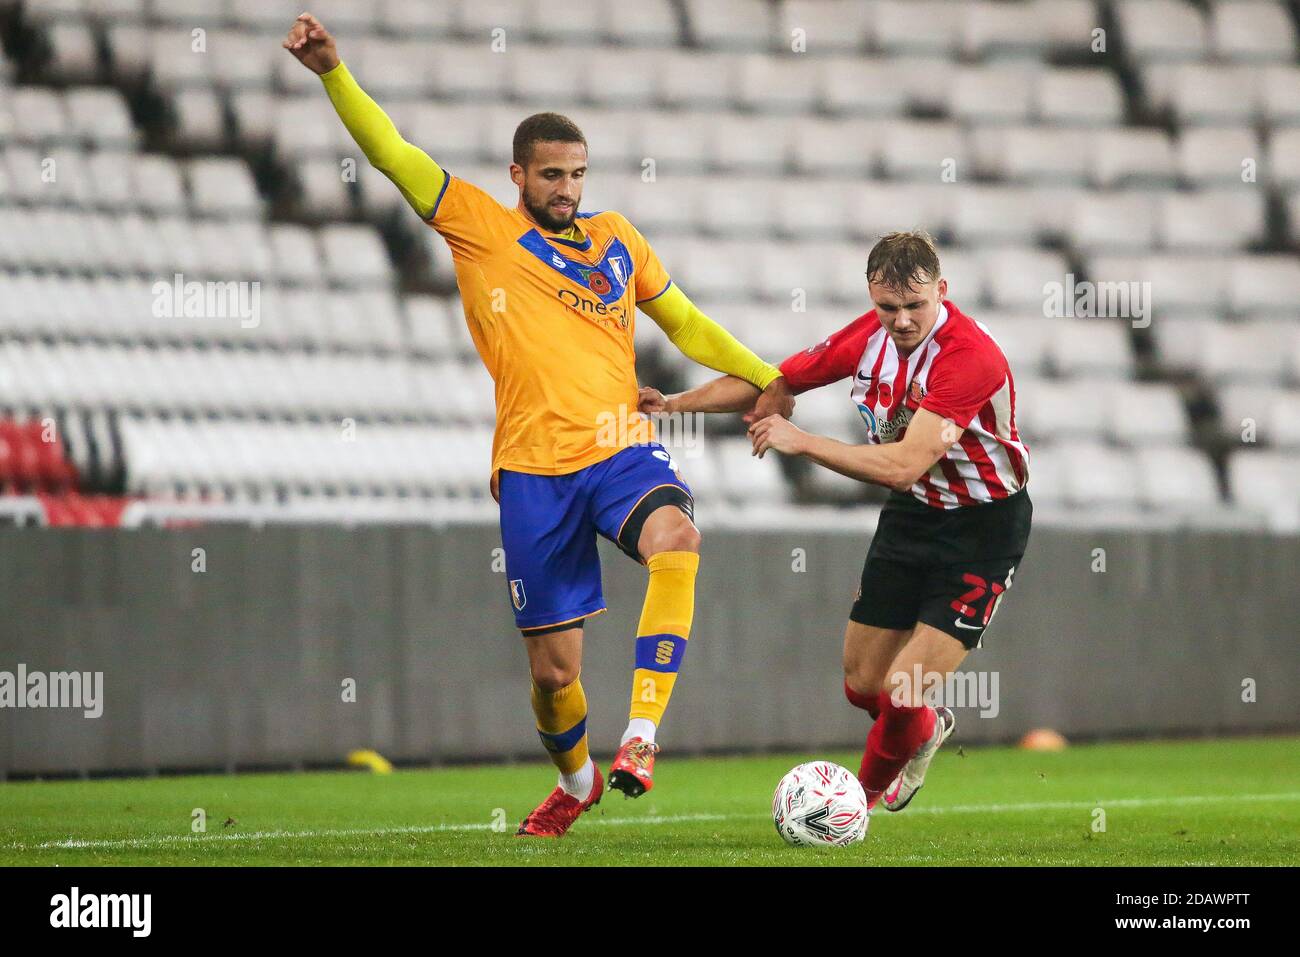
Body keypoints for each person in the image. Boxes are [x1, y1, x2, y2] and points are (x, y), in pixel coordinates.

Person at [283, 13, 795, 836]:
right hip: (532, 470)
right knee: (555, 674)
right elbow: (394, 157)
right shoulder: (484, 230)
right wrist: (333, 73)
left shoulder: (618, 242)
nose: (567, 189)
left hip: (620, 448)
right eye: (552, 175)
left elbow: (690, 327)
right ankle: (580, 776)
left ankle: (640, 736)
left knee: (679, 539)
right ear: (518, 173)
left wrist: (773, 376)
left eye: (578, 175)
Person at [641, 231, 1031, 811]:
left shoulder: (969, 357)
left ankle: (856, 808)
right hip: (913, 517)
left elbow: (902, 465)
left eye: (914, 306)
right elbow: (772, 380)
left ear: (942, 292)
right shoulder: (868, 338)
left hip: (983, 528)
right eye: (887, 307)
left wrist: (802, 442)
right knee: (863, 687)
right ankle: (922, 730)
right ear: (872, 298)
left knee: (903, 688)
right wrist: (674, 404)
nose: (900, 321)